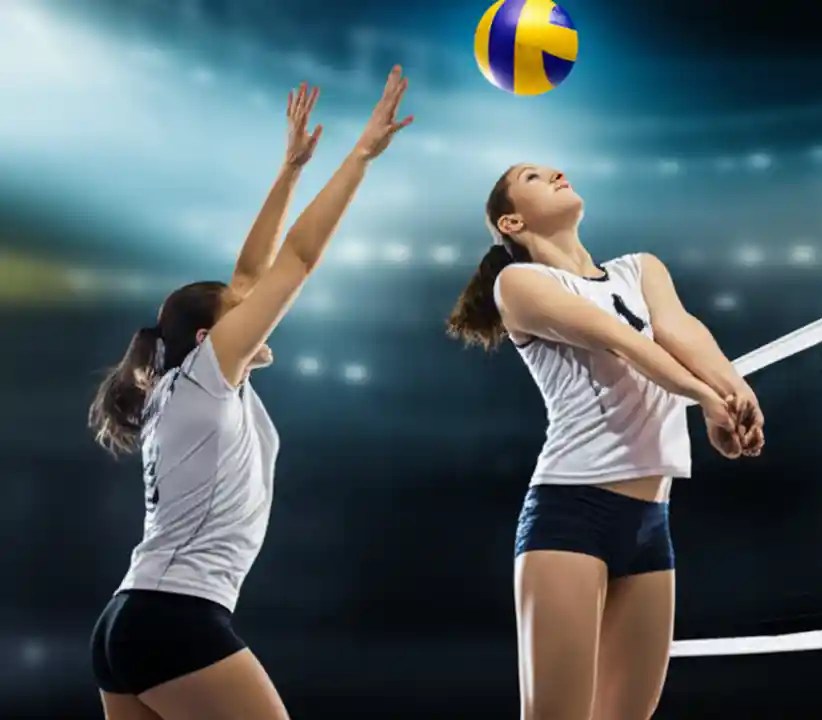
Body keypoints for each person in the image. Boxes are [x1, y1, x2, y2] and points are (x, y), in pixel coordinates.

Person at [86, 67, 412, 720]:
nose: (259, 309)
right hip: (175, 618)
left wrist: (291, 169)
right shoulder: (203, 379)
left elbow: (249, 273)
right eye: (244, 310)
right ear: (211, 335)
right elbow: (294, 261)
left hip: (130, 620)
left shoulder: (187, 387)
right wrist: (361, 156)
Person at [446, 163, 765, 720]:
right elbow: (620, 341)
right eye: (534, 176)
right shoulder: (518, 284)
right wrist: (702, 399)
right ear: (512, 221)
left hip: (650, 521)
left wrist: (736, 394)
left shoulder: (641, 269)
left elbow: (681, 331)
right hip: (571, 511)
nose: (556, 173)